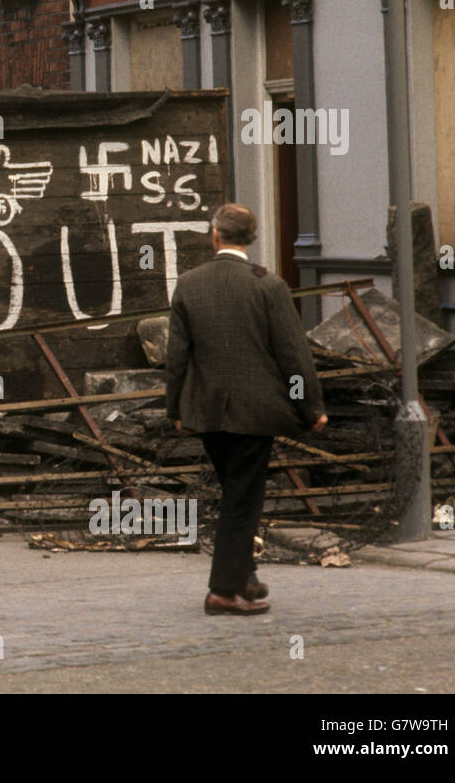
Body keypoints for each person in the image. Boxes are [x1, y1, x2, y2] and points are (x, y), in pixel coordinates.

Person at [166, 203, 328, 616]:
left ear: (215, 235)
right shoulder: (268, 286)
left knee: (235, 491)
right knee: (242, 500)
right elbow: (294, 356)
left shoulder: (188, 284)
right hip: (255, 415)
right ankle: (222, 590)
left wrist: (176, 410)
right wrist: (311, 408)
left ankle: (247, 577)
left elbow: (177, 356)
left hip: (207, 413)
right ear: (250, 240)